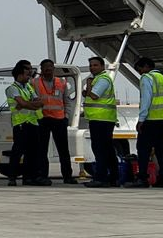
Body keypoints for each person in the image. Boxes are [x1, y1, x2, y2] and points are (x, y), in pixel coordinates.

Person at [33, 59, 77, 184]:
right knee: (42, 150)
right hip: (42, 119)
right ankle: (43, 176)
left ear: (53, 69)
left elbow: (67, 101)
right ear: (41, 69)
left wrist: (66, 117)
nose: (48, 69)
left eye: (50, 67)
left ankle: (67, 176)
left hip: (59, 119)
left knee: (63, 150)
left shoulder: (61, 82)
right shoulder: (34, 83)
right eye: (45, 67)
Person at [133, 56, 163, 188]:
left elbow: (146, 99)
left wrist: (141, 120)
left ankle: (142, 178)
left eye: (139, 69)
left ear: (146, 66)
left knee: (143, 149)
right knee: (161, 149)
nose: (140, 73)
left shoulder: (147, 78)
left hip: (150, 119)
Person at [3, 60, 46, 186]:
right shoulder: (12, 89)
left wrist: (27, 104)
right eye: (27, 74)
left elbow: (40, 102)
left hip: (32, 122)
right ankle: (12, 177)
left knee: (33, 152)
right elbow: (24, 103)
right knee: (18, 151)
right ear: (19, 74)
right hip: (21, 124)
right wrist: (30, 104)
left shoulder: (28, 87)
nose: (29, 76)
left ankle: (29, 177)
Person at [81, 56, 121, 187]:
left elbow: (94, 95)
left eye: (95, 65)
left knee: (100, 149)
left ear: (102, 66)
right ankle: (113, 177)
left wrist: (88, 85)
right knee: (107, 149)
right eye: (91, 65)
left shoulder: (103, 79)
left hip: (101, 118)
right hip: (100, 118)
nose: (92, 68)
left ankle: (101, 178)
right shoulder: (98, 79)